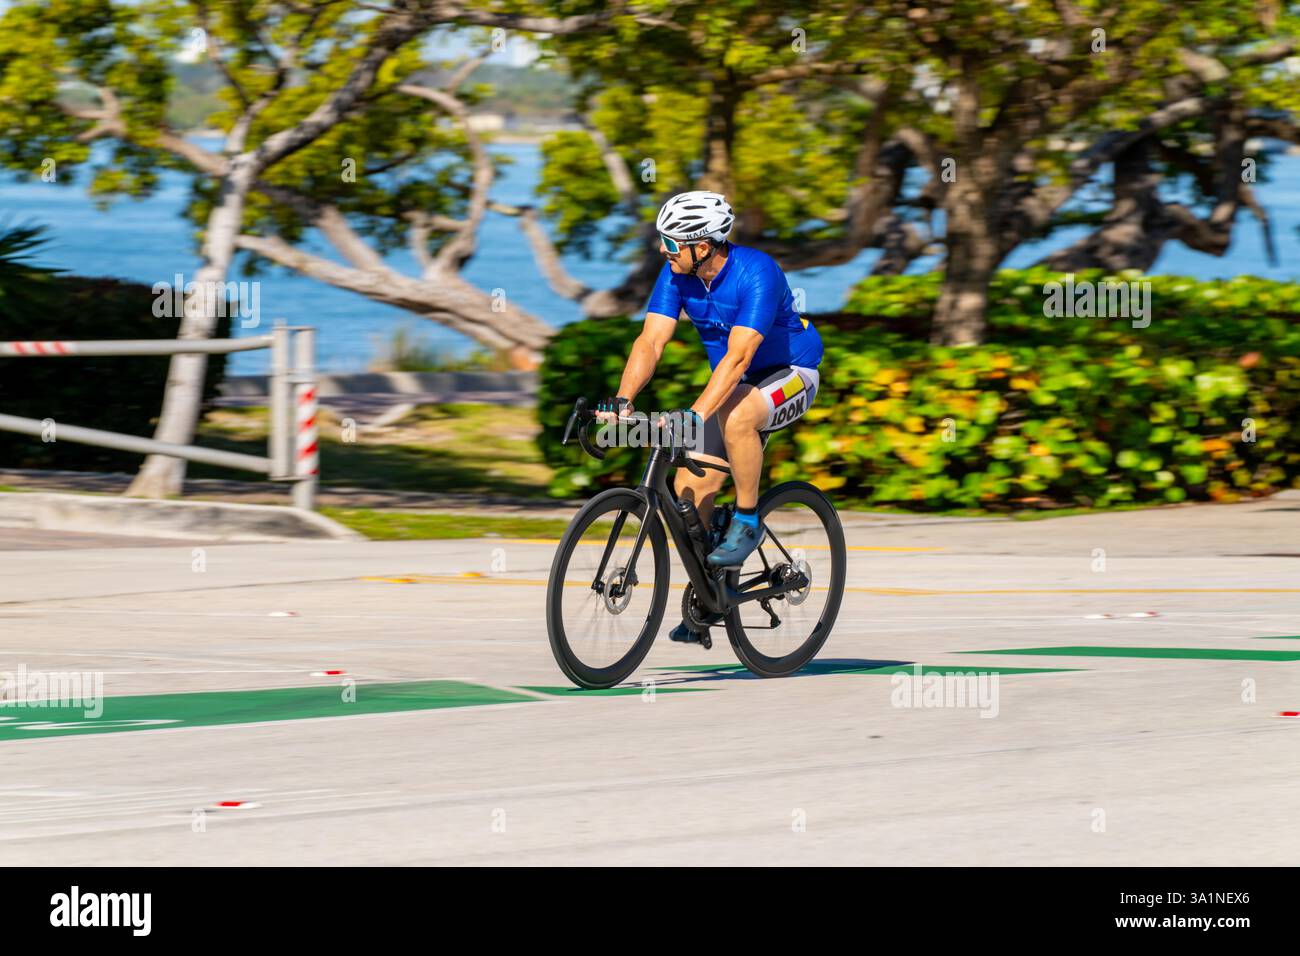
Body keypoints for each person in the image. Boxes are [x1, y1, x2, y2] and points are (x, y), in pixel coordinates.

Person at [595, 190, 823, 645]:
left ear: (704, 245)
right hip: (734, 385)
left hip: (791, 372)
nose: (664, 249)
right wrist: (623, 400)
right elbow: (650, 342)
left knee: (737, 415)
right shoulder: (676, 276)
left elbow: (739, 358)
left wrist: (696, 415)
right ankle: (712, 595)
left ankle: (747, 519)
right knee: (688, 494)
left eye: (672, 242)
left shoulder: (757, 272)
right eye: (663, 239)